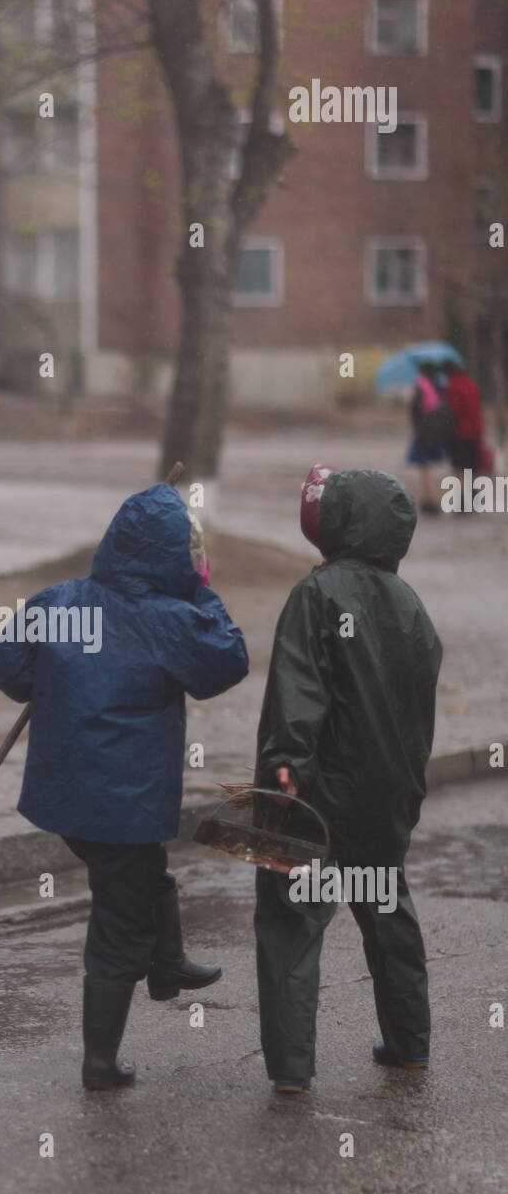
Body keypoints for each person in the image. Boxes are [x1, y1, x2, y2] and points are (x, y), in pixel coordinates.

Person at [0, 483, 248, 1090]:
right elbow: (228, 661)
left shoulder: (62, 601)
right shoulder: (173, 618)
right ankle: (100, 1062)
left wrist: (49, 680)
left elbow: (6, 665)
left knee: (139, 871)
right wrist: (201, 590)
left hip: (67, 798)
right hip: (125, 802)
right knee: (119, 920)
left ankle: (167, 964)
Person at [254, 465, 442, 1095]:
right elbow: (417, 712)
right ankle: (410, 1044)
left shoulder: (317, 595)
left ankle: (291, 1071)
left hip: (315, 797)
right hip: (385, 797)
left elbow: (298, 694)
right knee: (387, 915)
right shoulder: (410, 605)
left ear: (337, 523)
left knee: (291, 925)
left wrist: (284, 770)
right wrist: (406, 788)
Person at [406, 361, 453, 514]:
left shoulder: (421, 387)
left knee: (424, 466)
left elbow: (415, 411)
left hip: (424, 433)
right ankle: (431, 497)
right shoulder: (437, 387)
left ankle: (430, 498)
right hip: (435, 431)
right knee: (428, 466)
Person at [441, 360, 493, 482]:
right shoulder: (471, 384)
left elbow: (454, 411)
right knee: (472, 467)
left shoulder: (453, 387)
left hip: (459, 434)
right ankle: (474, 495)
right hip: (475, 432)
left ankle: (463, 497)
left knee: (459, 468)